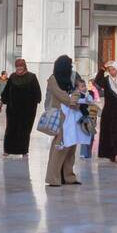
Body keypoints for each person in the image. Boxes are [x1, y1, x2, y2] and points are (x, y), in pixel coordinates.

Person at [44, 54, 86, 187]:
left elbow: (78, 90)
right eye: (68, 65)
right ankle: (53, 178)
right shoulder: (53, 79)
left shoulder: (72, 76)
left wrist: (75, 99)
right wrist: (73, 101)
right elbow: (61, 95)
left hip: (73, 115)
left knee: (71, 147)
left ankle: (69, 176)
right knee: (60, 146)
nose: (71, 67)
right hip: (60, 116)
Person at [0, 57, 42, 158]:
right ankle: (7, 150)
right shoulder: (13, 77)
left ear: (24, 66)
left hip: (28, 111)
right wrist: (1, 103)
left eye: (21, 66)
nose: (19, 68)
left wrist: (36, 103)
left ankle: (23, 151)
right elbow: (6, 92)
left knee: (25, 130)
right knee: (10, 129)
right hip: (13, 109)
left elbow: (37, 92)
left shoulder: (32, 77)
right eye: (17, 66)